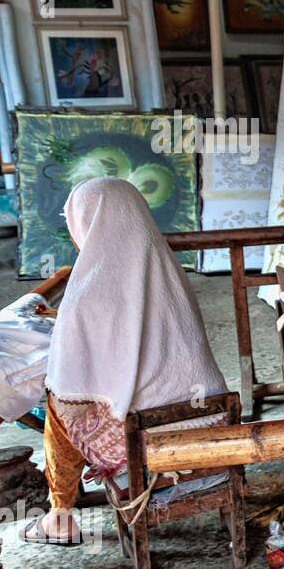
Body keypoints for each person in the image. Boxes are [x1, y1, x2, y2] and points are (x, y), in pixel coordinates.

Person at [22, 178, 228, 545]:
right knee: (80, 400)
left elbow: (72, 384)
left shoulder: (86, 294)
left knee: (59, 404)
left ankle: (59, 515)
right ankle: (61, 512)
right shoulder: (167, 273)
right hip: (211, 431)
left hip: (149, 455)